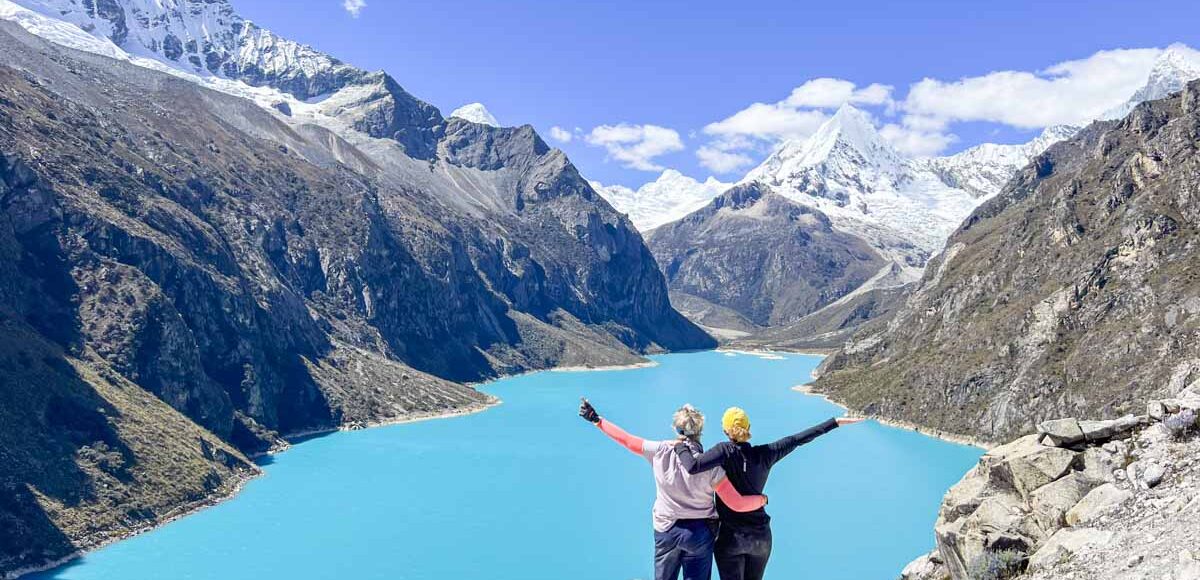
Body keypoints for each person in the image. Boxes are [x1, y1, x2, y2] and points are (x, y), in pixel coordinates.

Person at [579, 398, 767, 580]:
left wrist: (597, 420)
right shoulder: (712, 467)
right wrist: (762, 499)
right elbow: (736, 503)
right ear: (700, 431)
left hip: (666, 530)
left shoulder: (659, 451)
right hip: (700, 534)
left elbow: (627, 440)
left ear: (676, 429)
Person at [674, 407, 864, 580]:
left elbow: (693, 466)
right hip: (760, 538)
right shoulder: (767, 453)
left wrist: (681, 445)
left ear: (726, 431)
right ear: (748, 428)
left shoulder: (722, 451)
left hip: (730, 538)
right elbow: (798, 439)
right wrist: (835, 423)